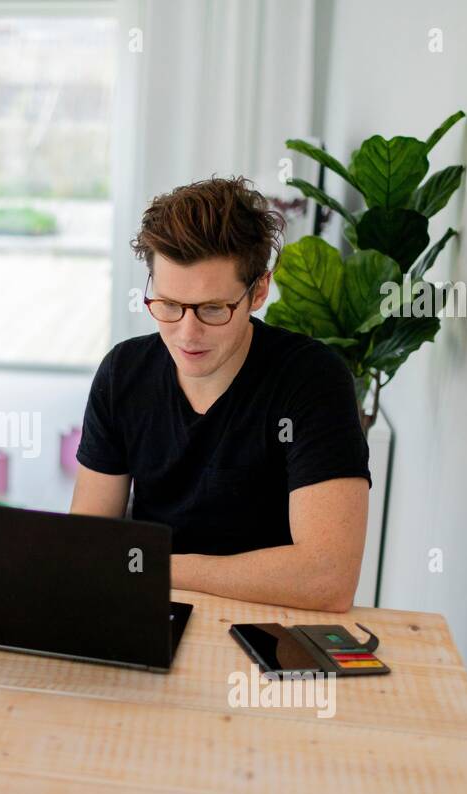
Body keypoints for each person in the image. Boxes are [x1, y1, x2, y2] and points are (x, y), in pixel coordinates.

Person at [70, 176, 371, 612]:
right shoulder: (124, 372)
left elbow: (328, 577)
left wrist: (156, 566)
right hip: (148, 611)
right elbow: (87, 541)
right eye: (169, 305)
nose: (187, 334)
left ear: (259, 292)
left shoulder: (313, 379)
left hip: (268, 624)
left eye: (213, 309)